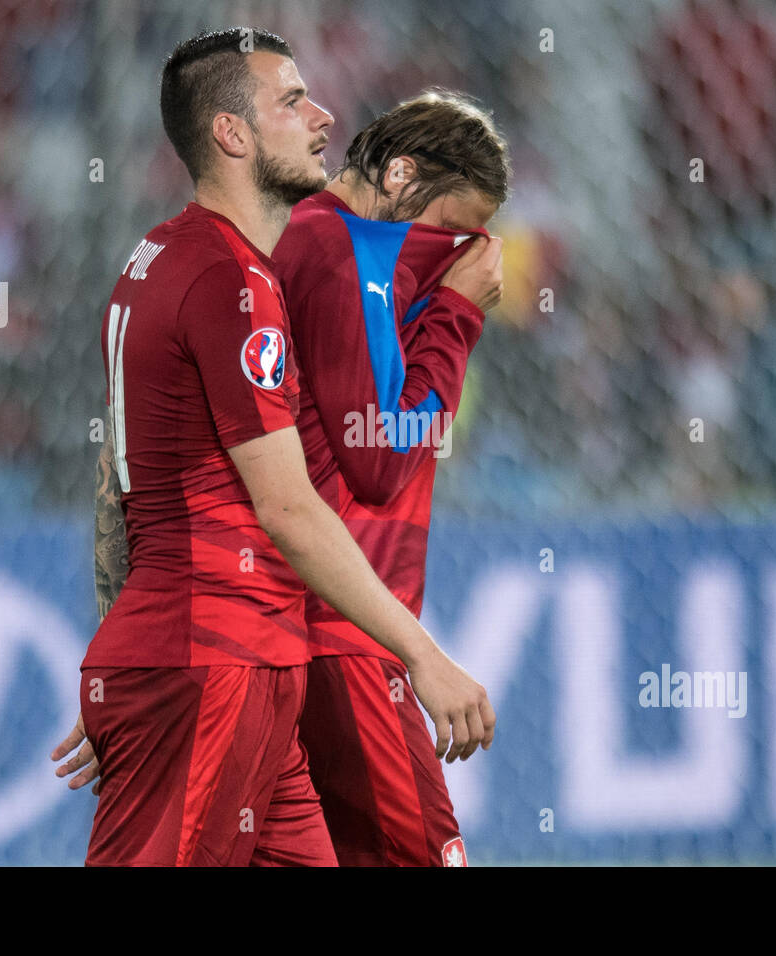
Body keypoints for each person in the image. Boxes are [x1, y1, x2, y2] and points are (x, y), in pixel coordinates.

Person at [51, 28, 494, 867]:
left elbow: (120, 486)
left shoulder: (156, 259)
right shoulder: (236, 283)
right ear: (233, 134)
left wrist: (127, 661)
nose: (324, 117)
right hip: (215, 660)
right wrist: (424, 659)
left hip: (224, 661)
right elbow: (290, 508)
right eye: (292, 100)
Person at [272, 91, 508, 866]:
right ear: (399, 175)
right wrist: (458, 313)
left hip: (319, 626)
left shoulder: (334, 246)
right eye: (450, 229)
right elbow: (379, 456)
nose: (461, 252)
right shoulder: (344, 253)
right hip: (344, 635)